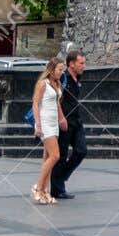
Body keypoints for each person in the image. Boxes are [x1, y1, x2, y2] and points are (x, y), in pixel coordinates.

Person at [50, 49, 87, 200]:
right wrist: (60, 118)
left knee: (81, 150)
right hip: (64, 122)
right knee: (61, 156)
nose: (84, 66)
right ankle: (57, 189)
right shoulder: (63, 78)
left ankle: (62, 177)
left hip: (76, 121)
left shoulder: (78, 78)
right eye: (81, 63)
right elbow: (55, 99)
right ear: (71, 64)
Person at [31, 56, 66, 205]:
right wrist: (38, 124)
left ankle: (46, 191)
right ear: (51, 70)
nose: (61, 72)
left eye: (62, 69)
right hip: (44, 123)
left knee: (47, 158)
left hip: (53, 123)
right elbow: (35, 104)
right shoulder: (42, 83)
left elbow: (56, 103)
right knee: (55, 156)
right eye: (59, 69)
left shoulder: (56, 84)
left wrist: (61, 118)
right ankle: (38, 188)